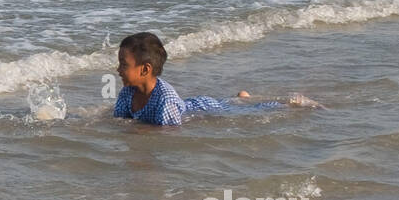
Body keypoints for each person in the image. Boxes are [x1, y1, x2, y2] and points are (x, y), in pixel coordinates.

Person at [113, 32, 320, 126]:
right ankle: (241, 97)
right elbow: (119, 120)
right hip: (191, 104)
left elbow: (167, 135)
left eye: (123, 64)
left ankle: (292, 103)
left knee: (249, 111)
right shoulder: (128, 92)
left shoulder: (165, 100)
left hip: (205, 110)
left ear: (145, 69)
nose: (118, 70)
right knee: (233, 103)